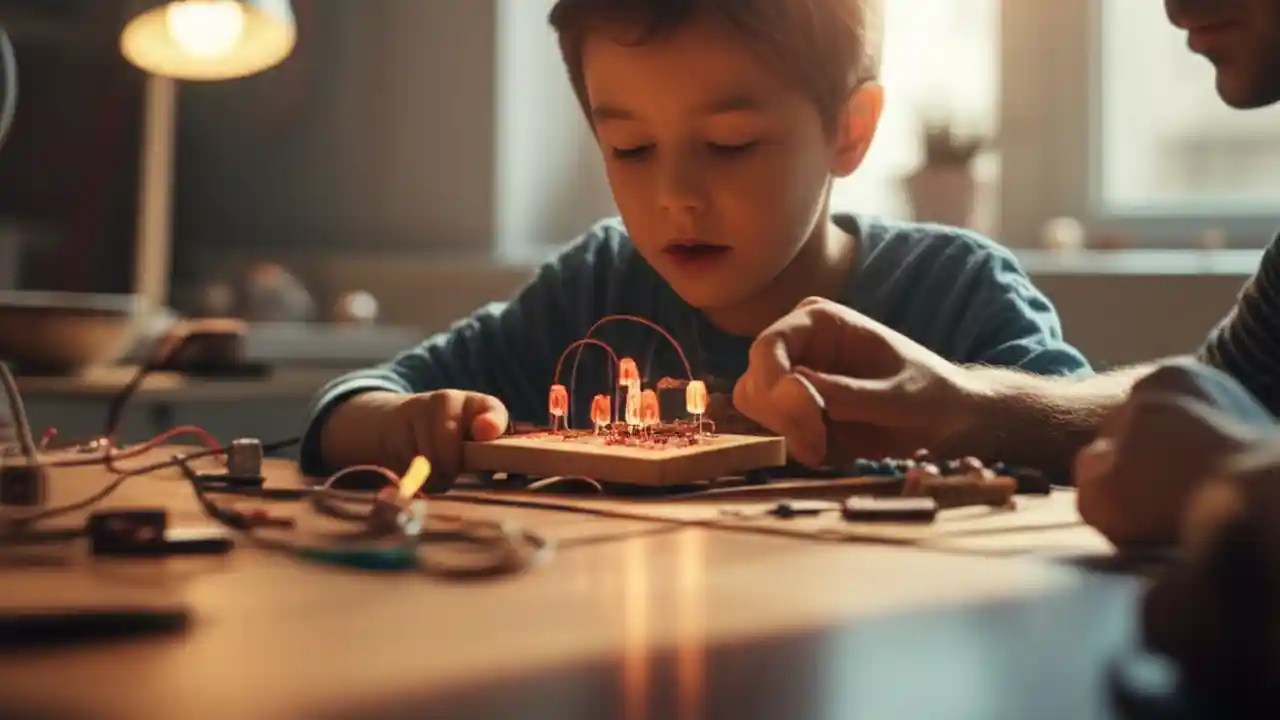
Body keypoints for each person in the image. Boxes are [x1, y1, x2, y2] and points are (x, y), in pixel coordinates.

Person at [298, 0, 1090, 486]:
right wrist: (403, 423)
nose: (675, 195)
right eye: (632, 150)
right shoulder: (593, 290)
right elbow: (349, 406)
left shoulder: (956, 293)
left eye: (732, 143)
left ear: (848, 131)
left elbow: (1095, 450)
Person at [733, 0, 1280, 545]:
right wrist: (961, 406)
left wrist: (1245, 480)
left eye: (729, 145)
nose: (1177, 8)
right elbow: (1229, 396)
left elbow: (1229, 436)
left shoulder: (960, 280)